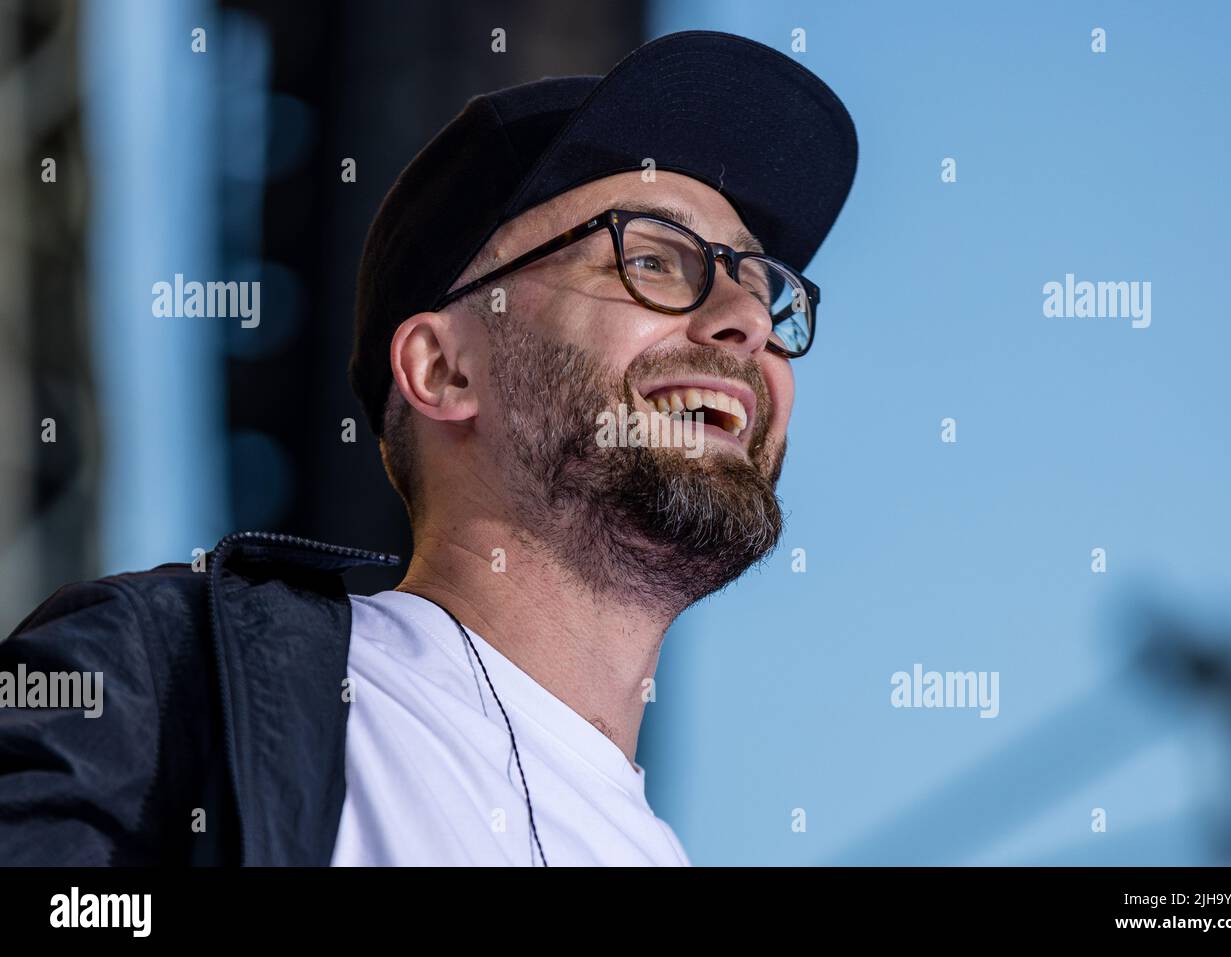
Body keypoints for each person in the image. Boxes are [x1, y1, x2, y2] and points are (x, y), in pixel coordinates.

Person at [0, 30, 856, 866]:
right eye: (658, 260)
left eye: (762, 285)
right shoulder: (175, 676)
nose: (747, 320)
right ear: (445, 369)